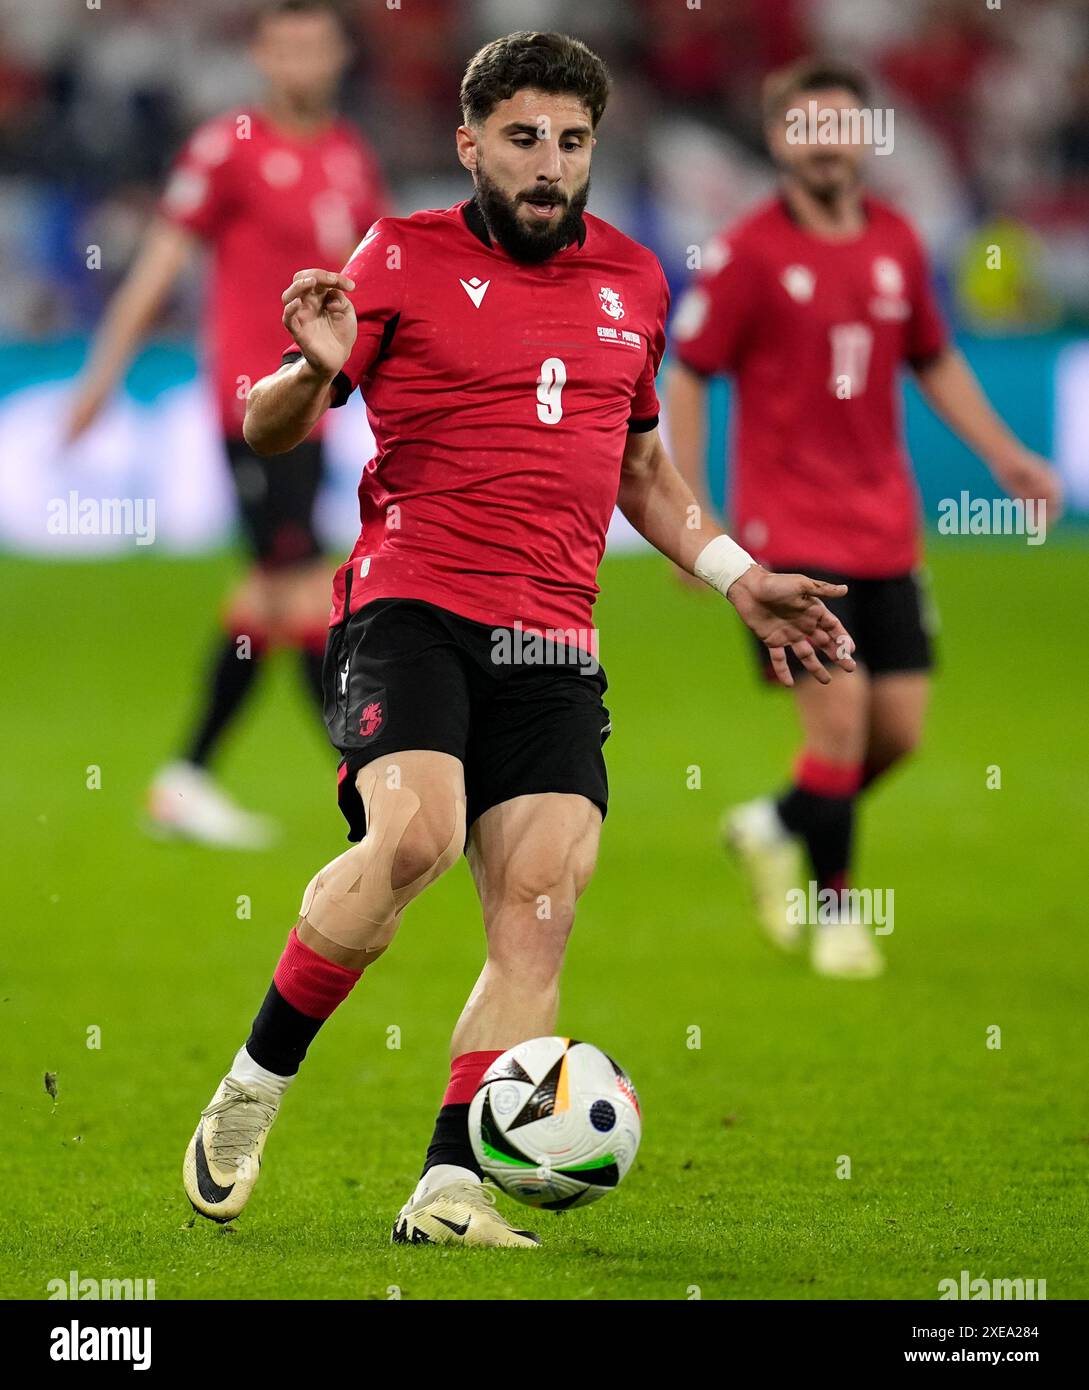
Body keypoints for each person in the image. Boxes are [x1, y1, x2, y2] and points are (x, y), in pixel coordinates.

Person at [182, 30, 855, 1248]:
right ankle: (254, 1085)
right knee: (416, 844)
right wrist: (310, 376)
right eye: (524, 139)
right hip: (412, 605)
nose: (550, 166)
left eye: (573, 141)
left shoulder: (637, 281)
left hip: (555, 634)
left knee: (541, 901)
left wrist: (738, 572)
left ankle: (450, 1186)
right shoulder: (396, 257)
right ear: (469, 144)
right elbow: (269, 421)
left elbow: (643, 469)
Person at [666, 58, 1063, 979]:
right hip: (788, 537)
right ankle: (836, 912)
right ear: (777, 141)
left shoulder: (894, 242)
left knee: (899, 734)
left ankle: (771, 823)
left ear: (864, 136)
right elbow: (686, 374)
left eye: (839, 125)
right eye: (803, 126)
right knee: (837, 733)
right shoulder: (747, 254)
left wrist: (1004, 454)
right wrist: (695, 519)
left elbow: (932, 357)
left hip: (886, 527)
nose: (824, 142)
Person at [66, 0, 388, 848]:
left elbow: (380, 282)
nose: (300, 63)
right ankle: (365, 777)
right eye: (284, 48)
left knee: (270, 591)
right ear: (260, 56)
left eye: (314, 47)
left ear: (339, 54)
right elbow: (164, 259)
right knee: (302, 587)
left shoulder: (351, 159)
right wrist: (103, 374)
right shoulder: (228, 148)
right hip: (251, 407)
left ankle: (190, 778)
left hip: (315, 410)